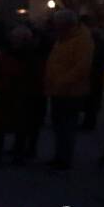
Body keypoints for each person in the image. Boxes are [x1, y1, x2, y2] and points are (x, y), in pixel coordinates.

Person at [43, 9, 95, 171]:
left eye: (57, 23)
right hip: (58, 89)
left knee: (66, 126)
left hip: (72, 91)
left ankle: (64, 158)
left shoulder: (82, 39)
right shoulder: (64, 38)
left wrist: (61, 81)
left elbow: (82, 67)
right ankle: (59, 156)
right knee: (59, 126)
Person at [0, 25, 42, 166]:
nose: (15, 41)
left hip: (21, 96)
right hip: (4, 94)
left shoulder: (31, 57)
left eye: (18, 39)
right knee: (0, 127)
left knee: (20, 127)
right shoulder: (5, 55)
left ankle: (18, 154)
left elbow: (35, 77)